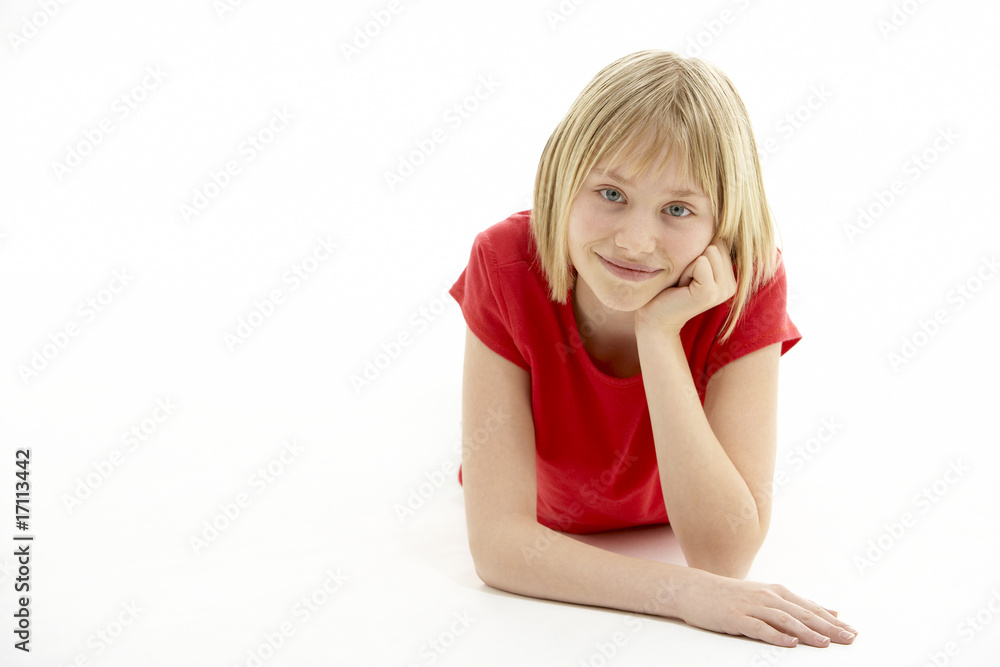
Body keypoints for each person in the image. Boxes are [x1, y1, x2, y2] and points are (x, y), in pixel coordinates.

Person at [449, 49, 857, 648]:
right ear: (563, 179)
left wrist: (659, 333)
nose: (636, 242)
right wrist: (682, 594)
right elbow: (500, 547)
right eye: (611, 193)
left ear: (722, 224)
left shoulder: (748, 282)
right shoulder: (504, 261)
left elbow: (723, 556)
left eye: (678, 209)